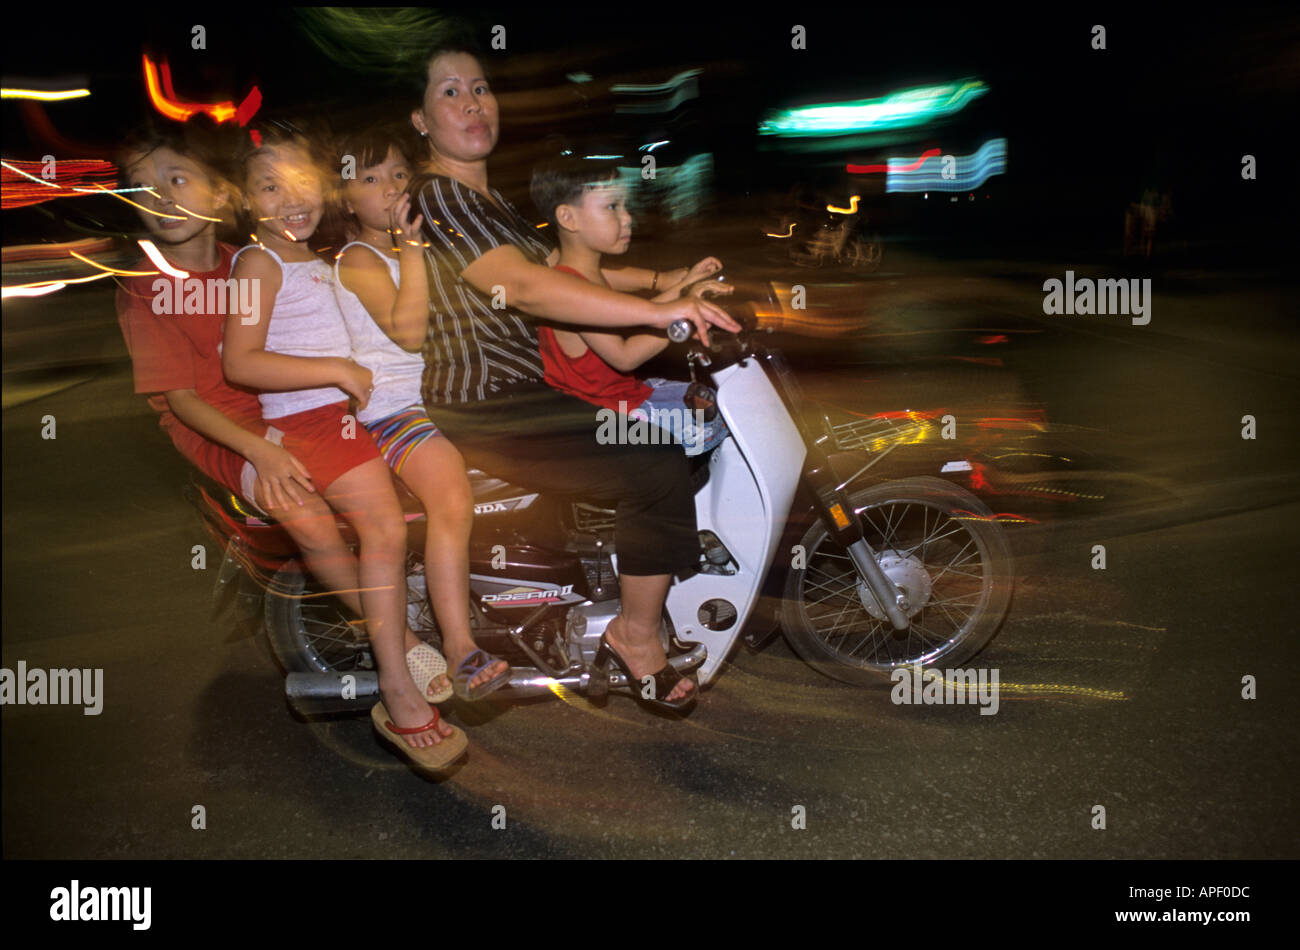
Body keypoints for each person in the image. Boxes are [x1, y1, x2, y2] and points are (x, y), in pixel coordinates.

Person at [406, 40, 740, 712]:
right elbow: (525, 287)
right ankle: (635, 636)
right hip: (489, 405)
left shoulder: (488, 202)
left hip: (527, 396)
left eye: (480, 88)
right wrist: (663, 310)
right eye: (450, 92)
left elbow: (570, 269)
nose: (473, 103)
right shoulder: (441, 198)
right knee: (654, 463)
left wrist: (664, 280)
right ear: (420, 120)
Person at [113, 118, 454, 708]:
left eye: (178, 179)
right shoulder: (146, 287)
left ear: (221, 195)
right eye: (145, 189)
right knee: (309, 516)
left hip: (288, 406)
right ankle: (403, 647)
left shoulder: (239, 257)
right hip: (218, 428)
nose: (164, 198)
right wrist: (261, 448)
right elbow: (186, 399)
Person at [220, 125, 466, 771]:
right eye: (269, 187)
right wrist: (334, 369)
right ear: (245, 203)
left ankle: (404, 654)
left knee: (385, 537)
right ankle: (399, 686)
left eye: (301, 182)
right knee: (383, 534)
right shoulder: (257, 263)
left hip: (343, 419)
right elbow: (240, 362)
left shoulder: (318, 260)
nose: (289, 198)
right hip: (310, 423)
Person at [332, 125, 509, 700]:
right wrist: (411, 252)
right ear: (345, 198)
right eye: (370, 178)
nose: (389, 189)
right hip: (393, 408)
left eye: (399, 175)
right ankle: (459, 647)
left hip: (444, 393)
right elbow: (409, 333)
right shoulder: (359, 257)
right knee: (451, 495)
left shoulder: (426, 244)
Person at [528, 154, 730, 456]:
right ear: (568, 218)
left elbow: (643, 315)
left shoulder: (583, 275)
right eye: (612, 207)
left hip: (621, 398)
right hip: (605, 417)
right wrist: (684, 314)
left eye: (625, 206)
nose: (627, 218)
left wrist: (685, 288)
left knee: (718, 400)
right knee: (720, 419)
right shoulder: (573, 291)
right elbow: (624, 356)